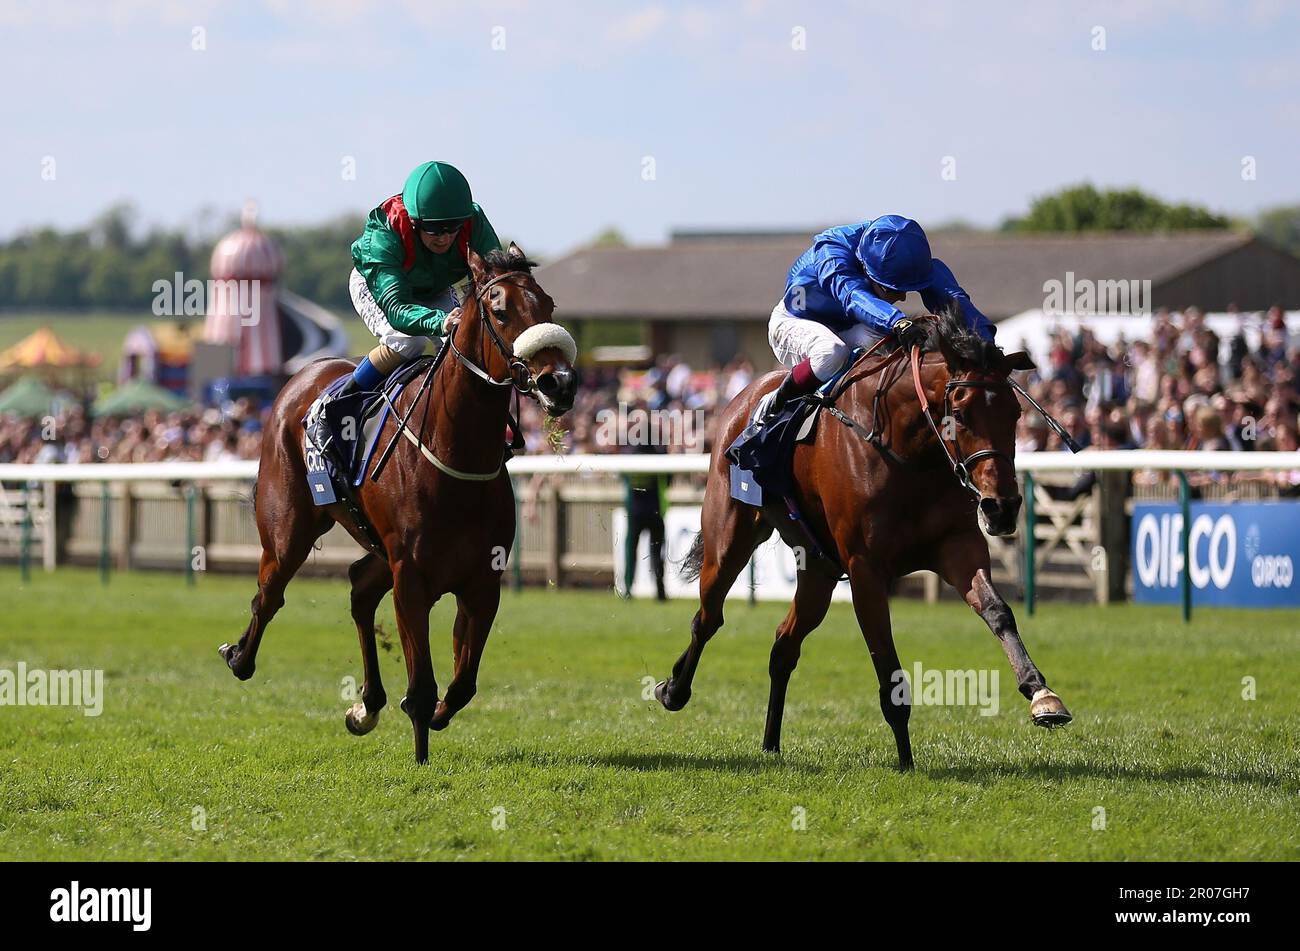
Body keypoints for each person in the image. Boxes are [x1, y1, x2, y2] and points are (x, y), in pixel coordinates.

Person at [764, 215, 995, 417]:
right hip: (796, 321)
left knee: (899, 351)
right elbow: (853, 296)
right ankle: (772, 406)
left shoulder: (905, 252)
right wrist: (897, 322)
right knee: (832, 353)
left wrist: (985, 344)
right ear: (867, 269)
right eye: (893, 290)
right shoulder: (831, 254)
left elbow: (954, 299)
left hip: (851, 325)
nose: (902, 298)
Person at [339, 160, 502, 396]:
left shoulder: (473, 220)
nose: (444, 238)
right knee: (409, 343)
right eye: (434, 230)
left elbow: (496, 278)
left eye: (453, 228)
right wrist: (440, 321)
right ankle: (342, 400)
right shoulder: (386, 229)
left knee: (460, 342)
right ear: (414, 223)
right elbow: (397, 308)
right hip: (378, 287)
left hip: (434, 288)